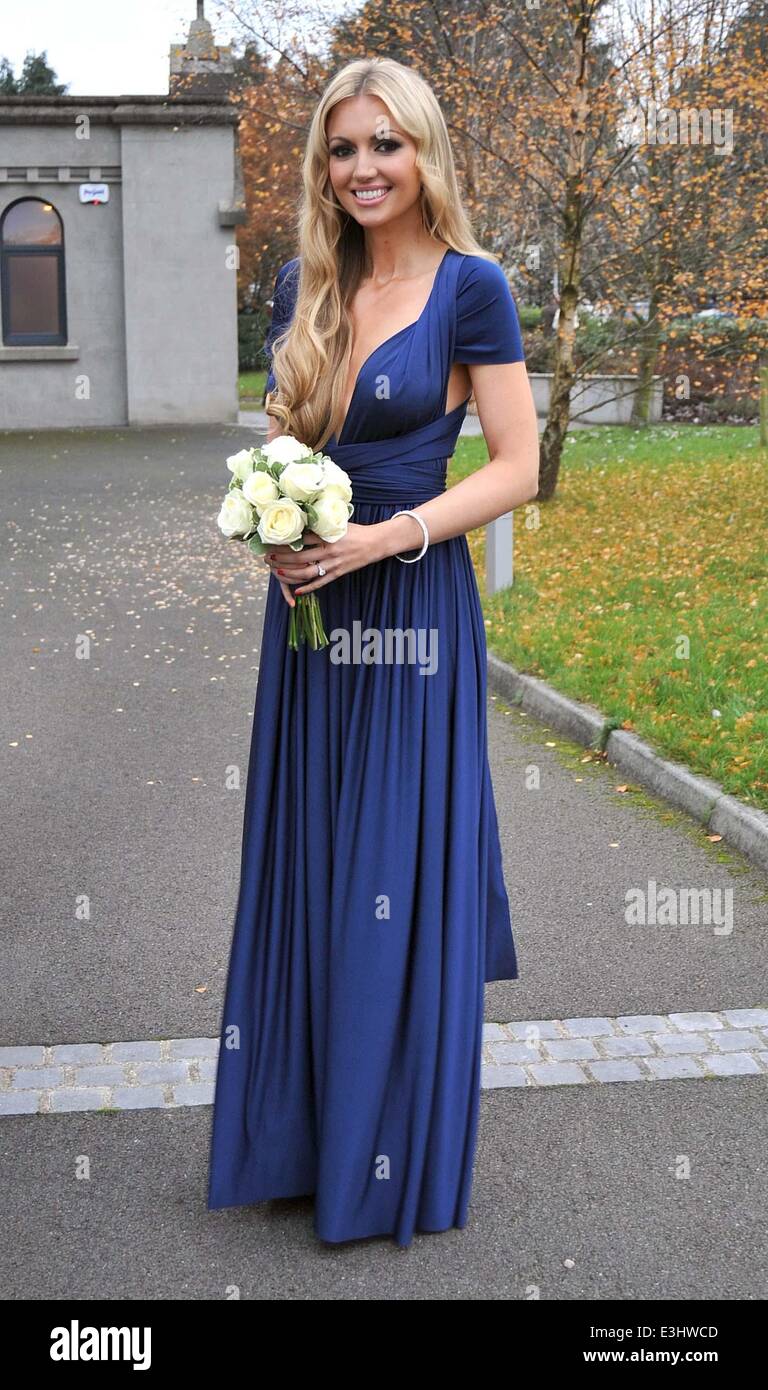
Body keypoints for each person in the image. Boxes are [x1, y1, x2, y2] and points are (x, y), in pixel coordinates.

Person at [207, 55, 539, 1248]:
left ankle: (384, 1156)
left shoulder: (474, 288)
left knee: (391, 874)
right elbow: (283, 439)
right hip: (308, 621)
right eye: (343, 149)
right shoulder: (304, 281)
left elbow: (516, 464)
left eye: (384, 146)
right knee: (313, 860)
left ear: (424, 152)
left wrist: (382, 537)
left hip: (409, 614)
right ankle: (308, 1133)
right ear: (322, 164)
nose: (362, 169)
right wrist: (274, 524)